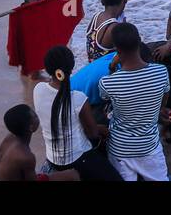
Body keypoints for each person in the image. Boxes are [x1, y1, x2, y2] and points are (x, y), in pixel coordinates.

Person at [34, 46, 121, 180]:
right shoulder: (78, 98)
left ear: (47, 68)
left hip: (52, 158)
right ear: (71, 68)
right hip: (79, 159)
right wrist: (100, 128)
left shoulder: (38, 90)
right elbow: (93, 133)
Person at [98, 23, 171, 181]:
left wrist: (112, 66)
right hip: (149, 148)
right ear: (140, 41)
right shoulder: (161, 72)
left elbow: (105, 99)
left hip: (119, 150)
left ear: (116, 49)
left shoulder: (108, 83)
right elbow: (162, 104)